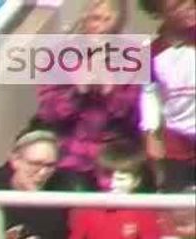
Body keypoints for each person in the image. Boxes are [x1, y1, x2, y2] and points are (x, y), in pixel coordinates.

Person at [30, 0, 142, 192]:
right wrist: (77, 91)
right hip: (71, 159)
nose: (101, 28)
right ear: (85, 19)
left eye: (108, 20)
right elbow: (49, 113)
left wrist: (110, 89)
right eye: (95, 19)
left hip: (115, 160)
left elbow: (135, 114)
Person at [140, 0, 196, 191]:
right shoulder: (151, 51)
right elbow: (149, 93)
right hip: (175, 143)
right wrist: (151, 134)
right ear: (159, 9)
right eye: (180, 3)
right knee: (177, 205)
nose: (190, 6)